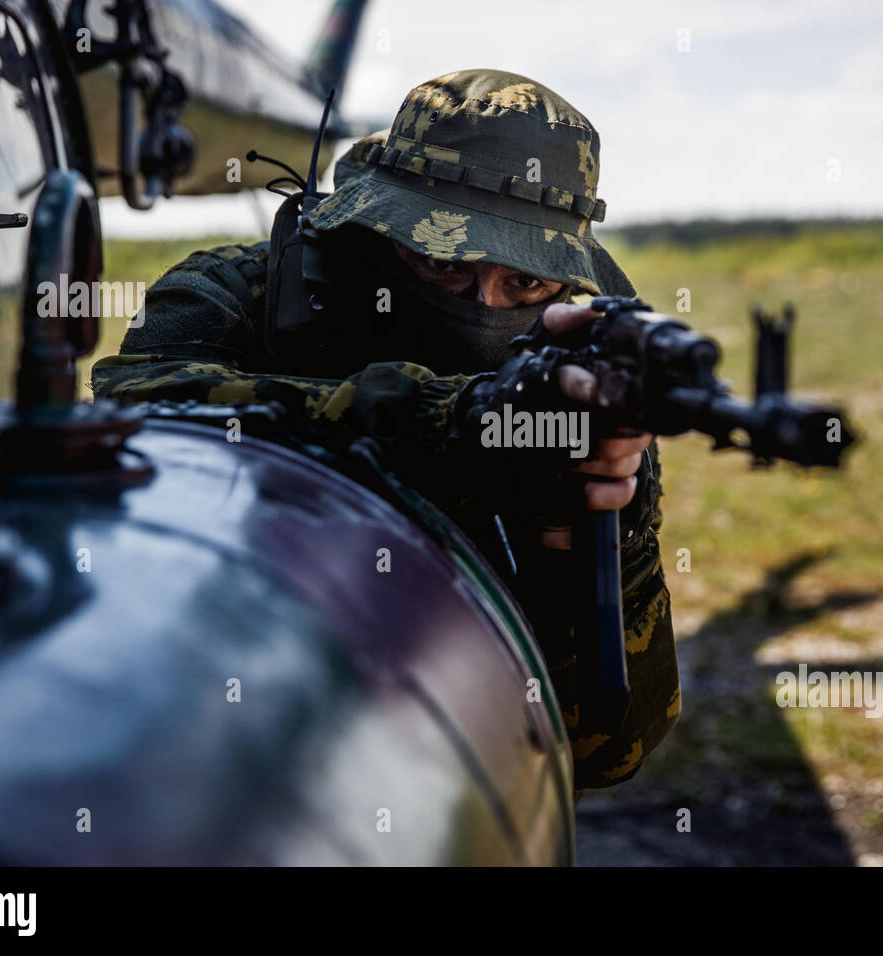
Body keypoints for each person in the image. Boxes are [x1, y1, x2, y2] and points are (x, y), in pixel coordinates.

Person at [91, 69, 680, 790]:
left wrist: (593, 538)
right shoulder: (241, 294)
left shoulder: (571, 385)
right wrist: (442, 420)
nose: (483, 305)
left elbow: (605, 751)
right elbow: (135, 406)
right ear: (375, 231)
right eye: (442, 263)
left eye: (523, 284)